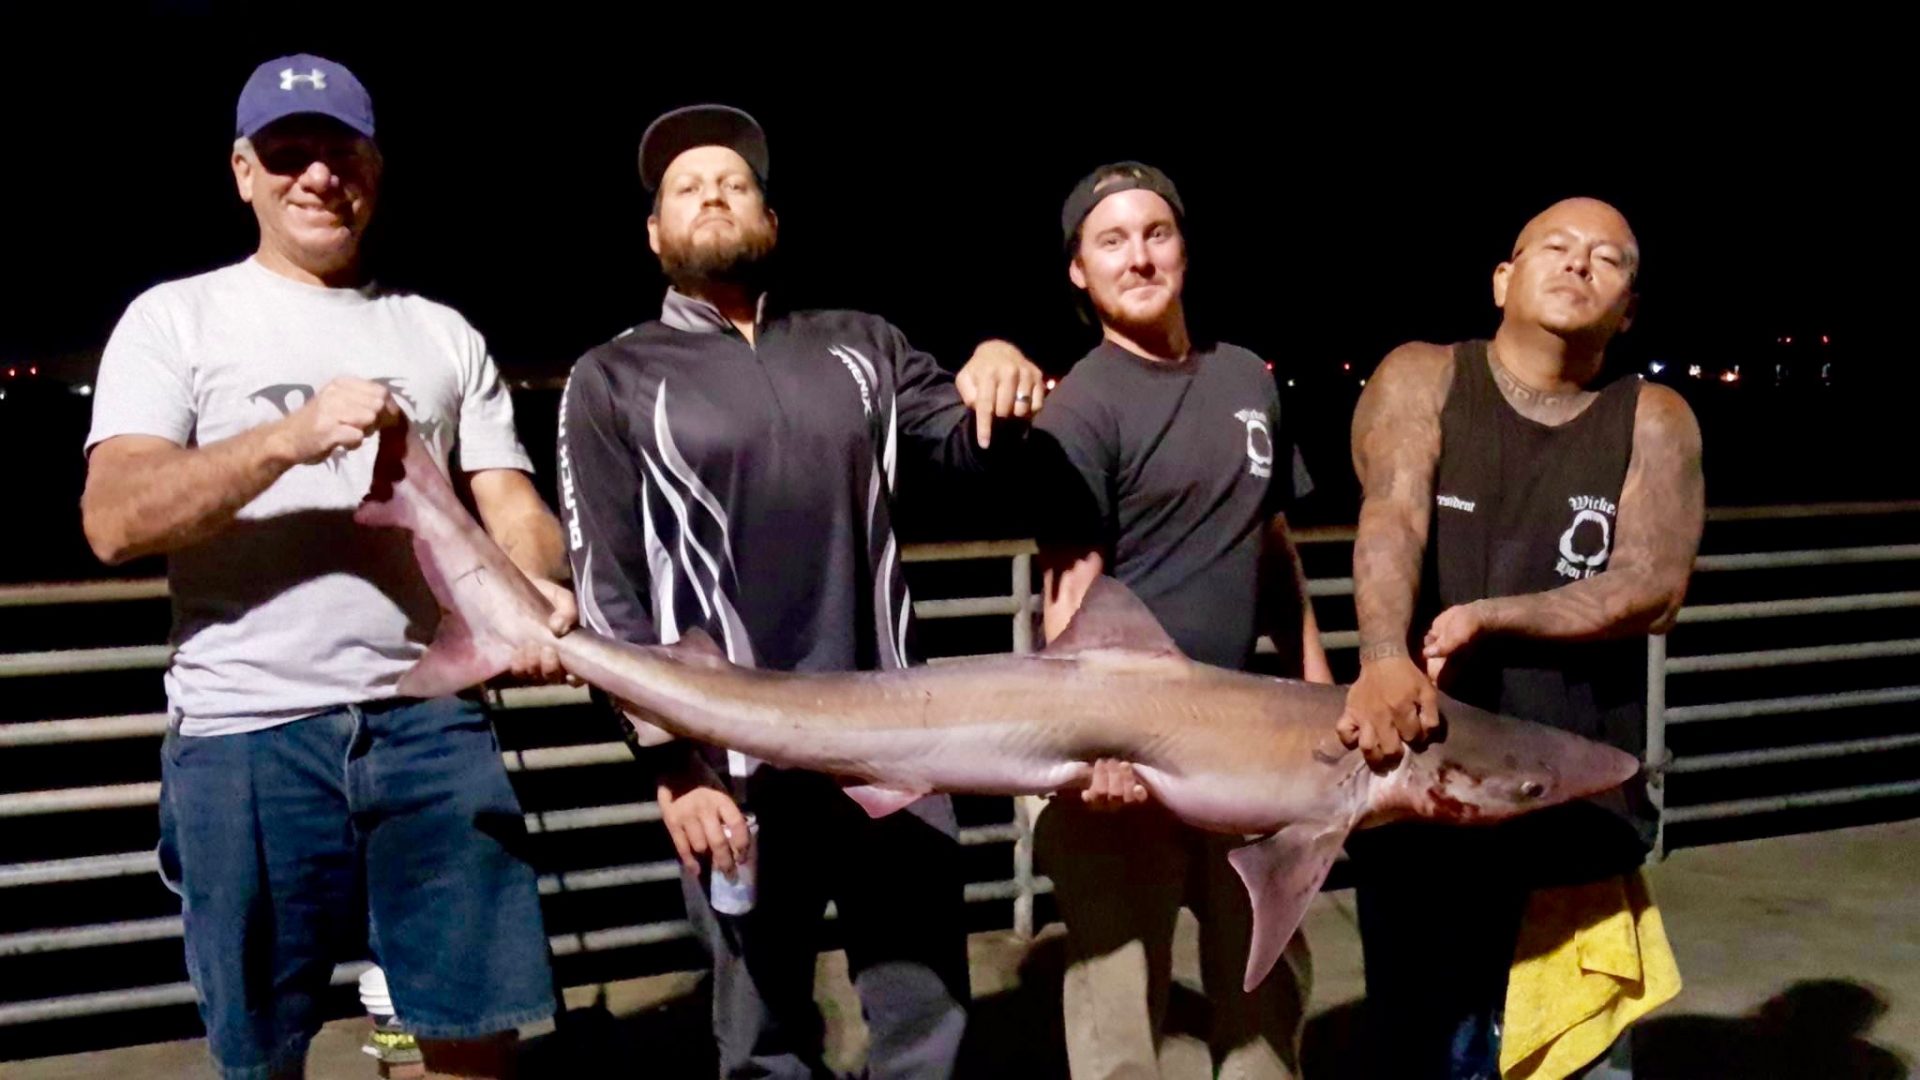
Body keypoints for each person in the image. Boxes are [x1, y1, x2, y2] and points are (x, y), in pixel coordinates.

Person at [80, 53, 573, 1080]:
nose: (316, 176)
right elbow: (114, 521)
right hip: (245, 738)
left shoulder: (441, 332)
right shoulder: (176, 319)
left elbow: (511, 502)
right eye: (287, 154)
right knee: (260, 1051)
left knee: (474, 1038)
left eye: (338, 153)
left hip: (435, 726)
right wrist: (290, 437)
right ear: (243, 172)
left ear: (374, 170)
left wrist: (534, 596)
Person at [557, 104, 1046, 1078]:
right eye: (686, 187)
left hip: (897, 740)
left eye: (735, 183)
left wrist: (1000, 365)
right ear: (653, 234)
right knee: (764, 1040)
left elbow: (970, 442)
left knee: (928, 1021)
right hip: (732, 766)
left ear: (771, 224)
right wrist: (671, 769)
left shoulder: (860, 344)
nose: (712, 193)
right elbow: (605, 595)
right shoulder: (610, 377)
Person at [1336, 197, 1704, 1079]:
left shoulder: (1654, 417)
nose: (1580, 264)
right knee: (1425, 1053)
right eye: (1557, 246)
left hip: (1573, 815)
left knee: (1575, 1056)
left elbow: (1653, 587)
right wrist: (1385, 656)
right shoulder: (1424, 374)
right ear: (1503, 277)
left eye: (1609, 259)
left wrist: (1495, 613)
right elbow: (1391, 511)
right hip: (1422, 797)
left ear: (1629, 308)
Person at [1031, 161, 1329, 1079]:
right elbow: (1067, 593)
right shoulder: (1080, 407)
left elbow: (1271, 547)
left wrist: (1322, 690)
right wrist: (1094, 750)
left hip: (1250, 739)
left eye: (1154, 233)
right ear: (1080, 271)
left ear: (1184, 250)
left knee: (1264, 982)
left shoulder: (1247, 378)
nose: (1139, 256)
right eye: (1111, 240)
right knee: (1120, 1004)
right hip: (1123, 755)